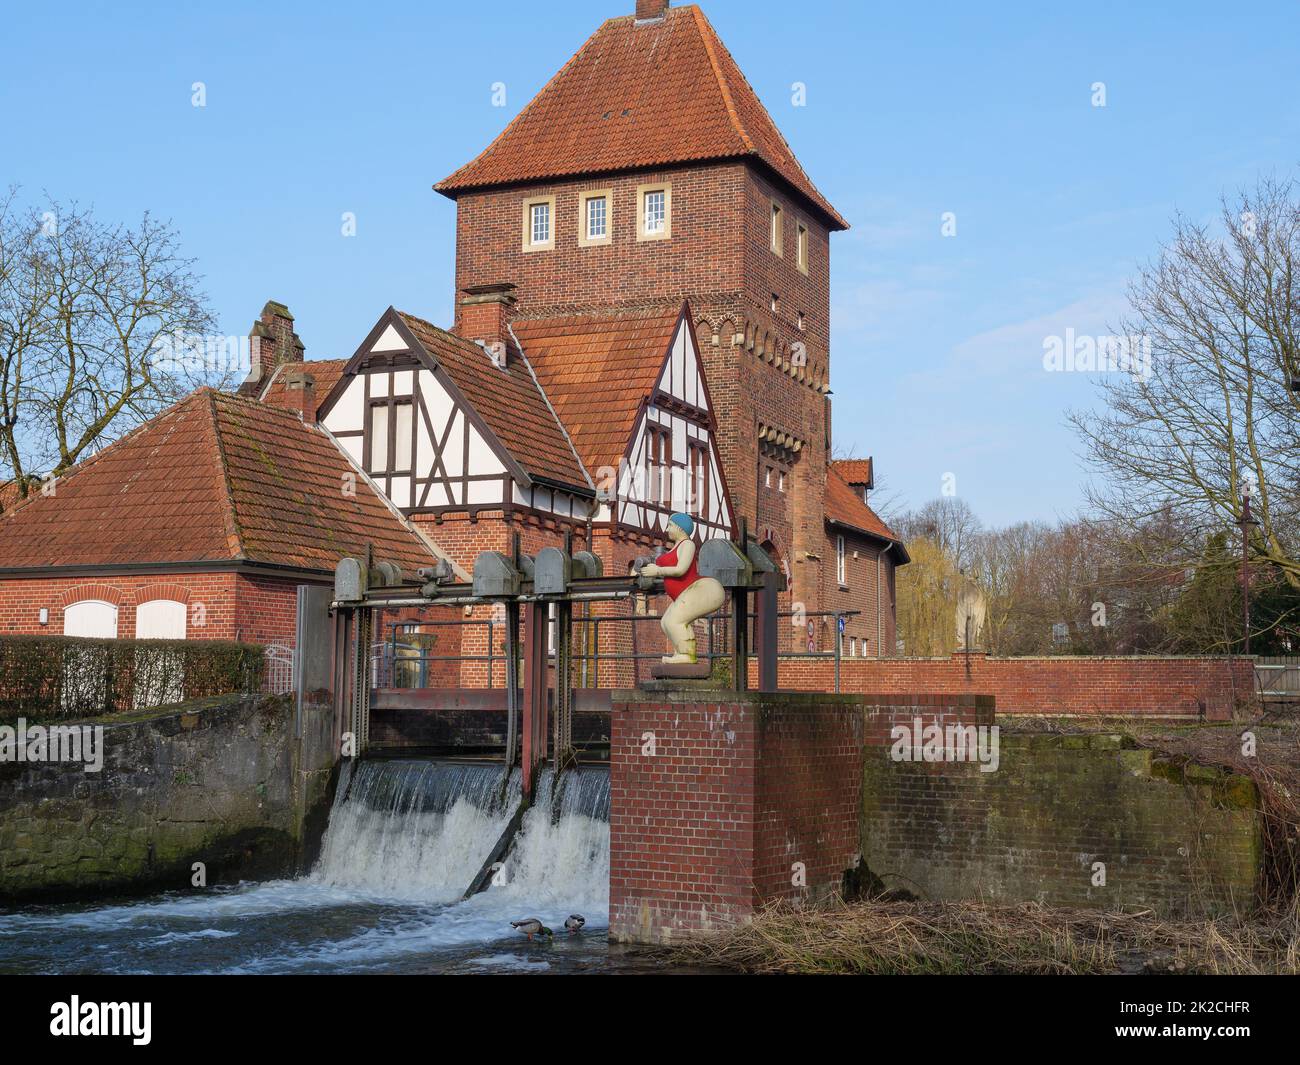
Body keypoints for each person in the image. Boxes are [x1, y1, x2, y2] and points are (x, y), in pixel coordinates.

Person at [638, 513, 725, 664]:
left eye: (670, 526)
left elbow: (681, 569)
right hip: (685, 593)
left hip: (703, 589)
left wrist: (657, 571)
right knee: (665, 622)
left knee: (674, 620)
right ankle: (681, 653)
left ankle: (686, 655)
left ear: (680, 528)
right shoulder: (676, 547)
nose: (667, 530)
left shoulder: (688, 545)